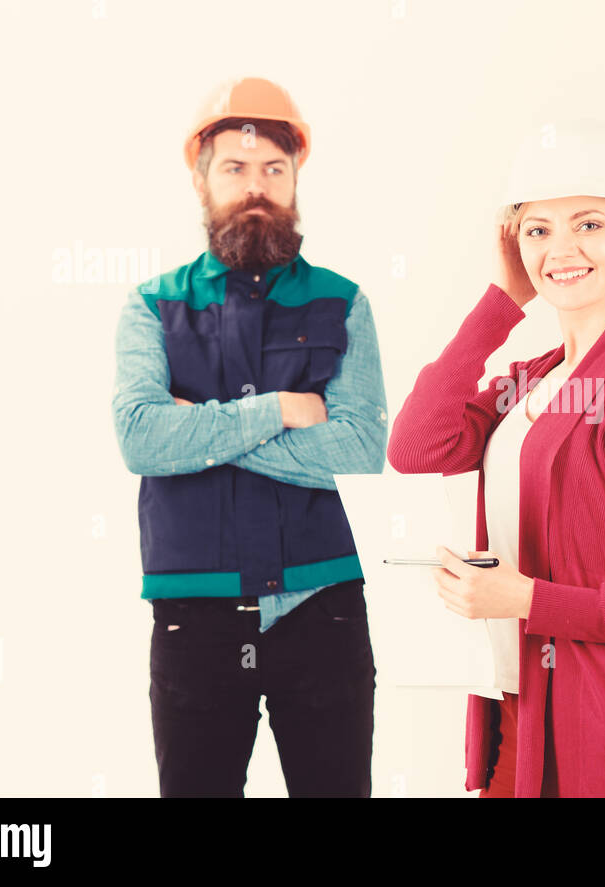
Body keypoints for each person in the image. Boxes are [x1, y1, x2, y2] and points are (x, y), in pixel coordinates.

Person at [387, 121, 605, 797]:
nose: (560, 248)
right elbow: (415, 447)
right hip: (520, 718)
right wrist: (502, 299)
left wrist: (527, 600)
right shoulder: (534, 378)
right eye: (538, 229)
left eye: (589, 224)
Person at [111, 77, 388, 797]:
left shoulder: (344, 302)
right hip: (193, 620)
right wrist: (281, 409)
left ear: (297, 177)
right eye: (235, 169)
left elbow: (360, 447)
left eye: (273, 169)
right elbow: (141, 438)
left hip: (321, 609)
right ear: (201, 177)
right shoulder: (151, 307)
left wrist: (198, 427)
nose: (255, 186)